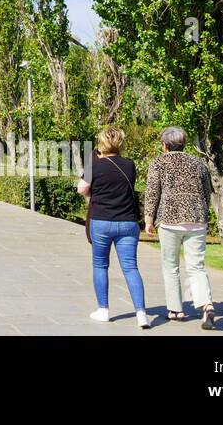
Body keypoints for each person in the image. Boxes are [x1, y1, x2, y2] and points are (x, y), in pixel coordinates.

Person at [77, 126, 149, 328]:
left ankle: (103, 310)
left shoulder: (94, 165)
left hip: (101, 221)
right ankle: (141, 313)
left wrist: (94, 191)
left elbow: (82, 189)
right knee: (131, 267)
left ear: (101, 144)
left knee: (100, 265)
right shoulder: (129, 165)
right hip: (127, 222)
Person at [145, 126, 216, 329]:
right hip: (196, 219)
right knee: (196, 266)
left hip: (169, 219)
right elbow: (207, 192)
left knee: (171, 265)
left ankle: (176, 309)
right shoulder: (199, 163)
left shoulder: (158, 163)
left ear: (165, 145)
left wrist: (148, 220)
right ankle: (207, 305)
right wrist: (202, 212)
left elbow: (152, 193)